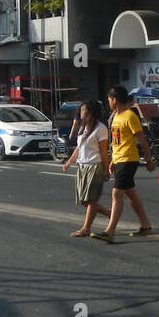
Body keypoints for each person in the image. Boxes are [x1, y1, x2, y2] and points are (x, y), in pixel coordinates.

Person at [92, 85, 154, 242]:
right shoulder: (115, 117)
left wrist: (148, 160)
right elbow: (117, 142)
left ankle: (110, 231)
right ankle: (146, 225)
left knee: (116, 193)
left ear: (115, 99)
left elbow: (142, 139)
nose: (108, 102)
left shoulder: (129, 116)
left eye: (109, 99)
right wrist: (113, 160)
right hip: (119, 159)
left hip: (128, 159)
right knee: (130, 193)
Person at [62, 99, 111, 237]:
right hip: (82, 166)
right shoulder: (83, 127)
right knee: (83, 200)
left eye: (83, 110)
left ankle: (86, 228)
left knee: (90, 200)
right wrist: (69, 162)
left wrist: (106, 169)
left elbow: (103, 151)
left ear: (90, 112)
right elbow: (79, 148)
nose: (80, 113)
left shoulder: (101, 128)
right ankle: (109, 213)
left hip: (95, 166)